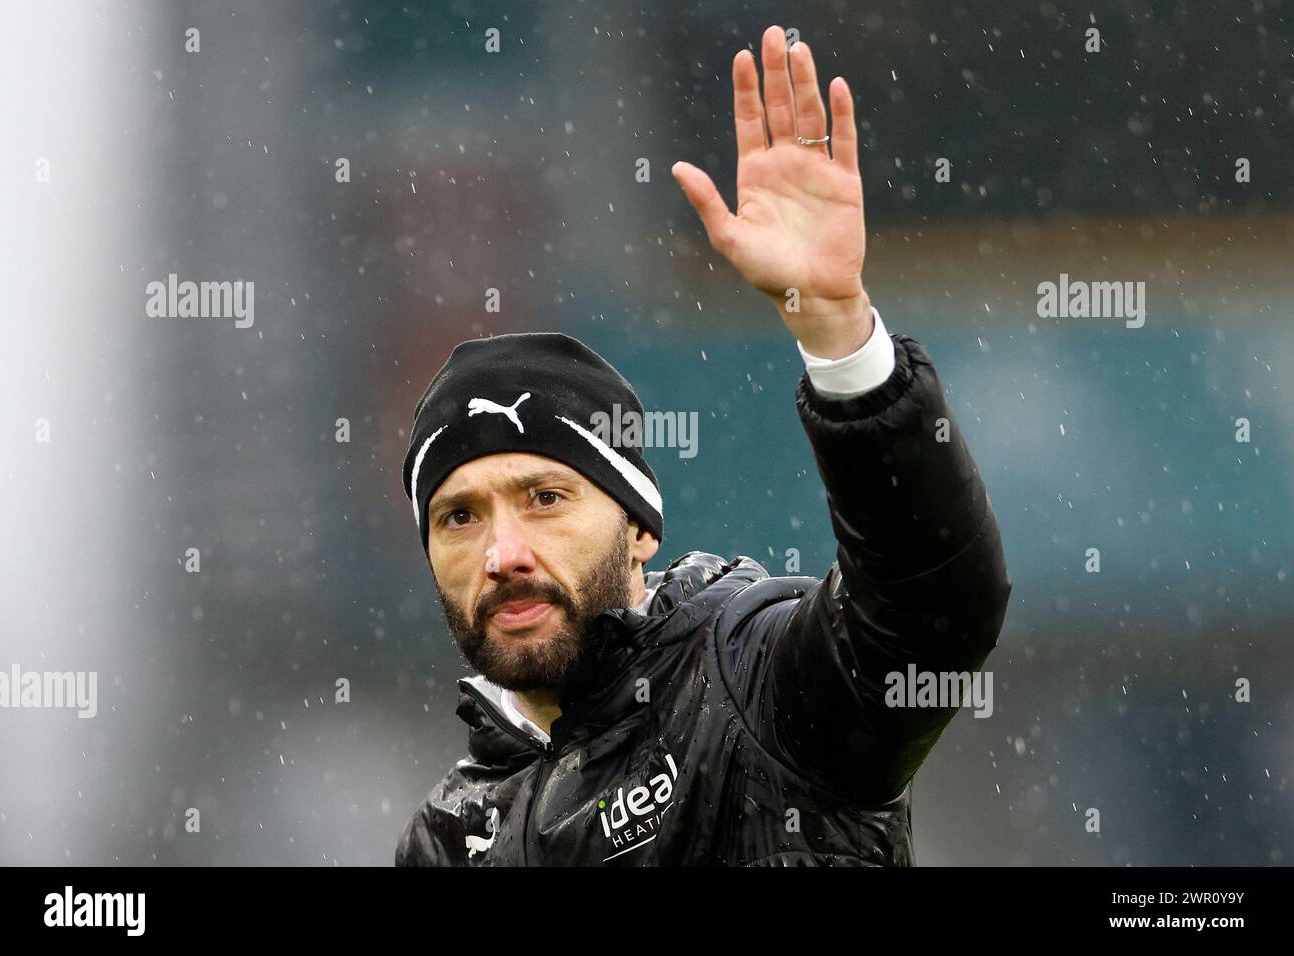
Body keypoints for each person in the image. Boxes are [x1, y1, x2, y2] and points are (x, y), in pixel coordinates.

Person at [395, 25, 1011, 866]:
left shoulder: (753, 676)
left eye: (545, 497)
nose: (504, 552)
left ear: (641, 527)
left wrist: (838, 335)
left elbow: (936, 612)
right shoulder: (445, 839)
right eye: (460, 517)